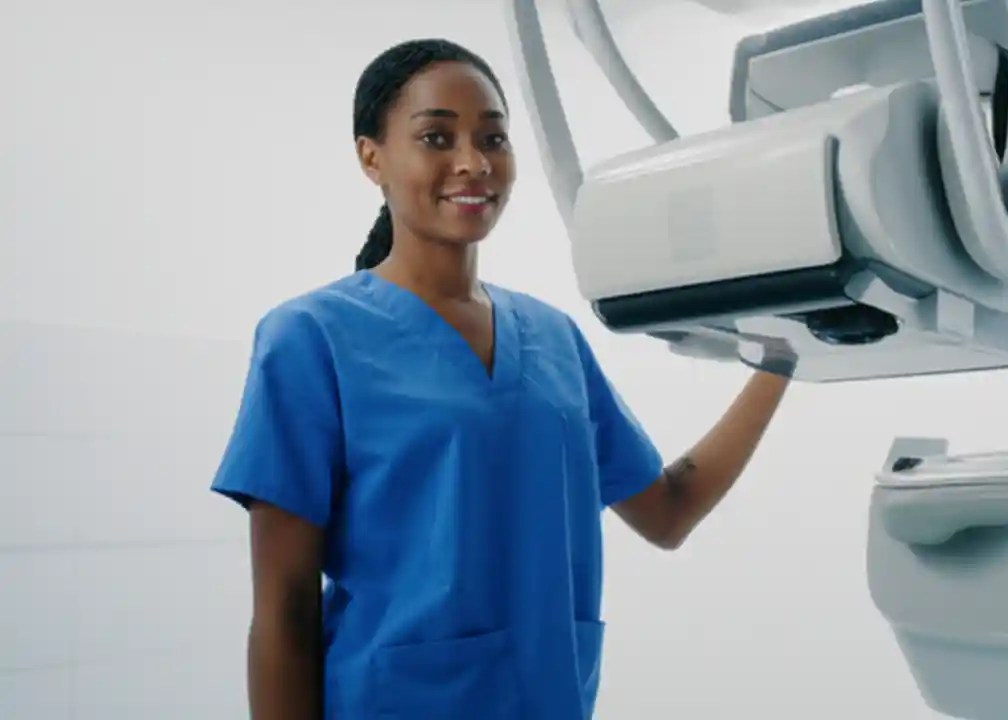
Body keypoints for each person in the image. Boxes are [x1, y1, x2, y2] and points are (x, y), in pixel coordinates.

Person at [211, 38, 791, 720]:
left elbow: (667, 511)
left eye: (493, 137)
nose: (473, 162)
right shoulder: (310, 338)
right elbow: (283, 612)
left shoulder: (552, 338)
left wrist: (783, 358)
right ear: (372, 158)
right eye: (436, 137)